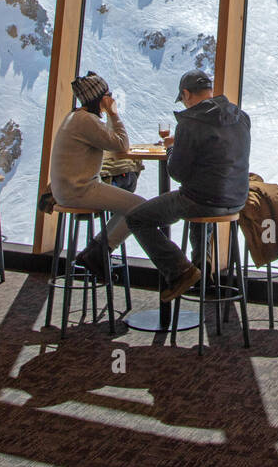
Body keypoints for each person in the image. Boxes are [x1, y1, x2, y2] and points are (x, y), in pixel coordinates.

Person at [51, 71, 196, 300]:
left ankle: (97, 251)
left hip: (69, 189)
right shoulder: (86, 121)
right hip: (79, 190)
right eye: (107, 95)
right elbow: (121, 143)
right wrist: (114, 114)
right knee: (139, 209)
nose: (111, 99)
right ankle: (100, 252)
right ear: (100, 98)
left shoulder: (77, 118)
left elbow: (111, 143)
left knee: (135, 209)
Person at [125, 69, 251, 302]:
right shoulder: (241, 117)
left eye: (182, 99)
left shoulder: (190, 122)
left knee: (136, 219)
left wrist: (172, 148)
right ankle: (203, 274)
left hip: (202, 201)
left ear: (186, 94)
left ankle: (181, 271)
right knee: (200, 206)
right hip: (236, 200)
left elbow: (177, 172)